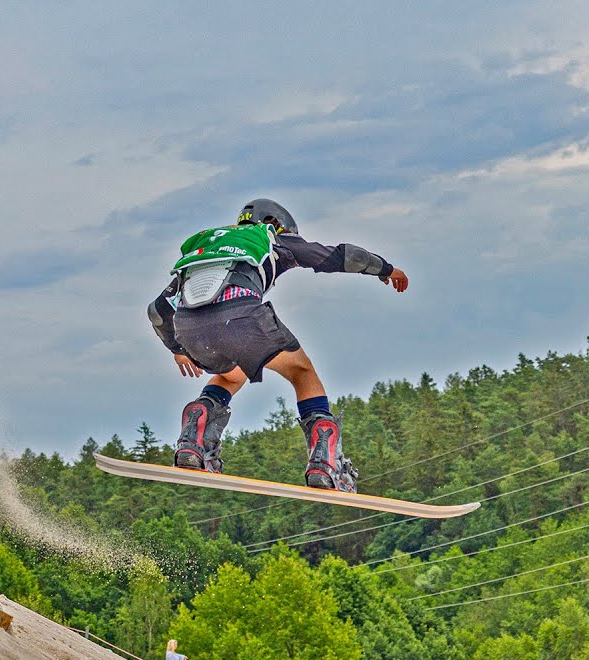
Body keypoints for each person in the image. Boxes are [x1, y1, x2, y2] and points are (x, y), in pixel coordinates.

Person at [148, 199, 408, 492]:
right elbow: (338, 256)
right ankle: (326, 461)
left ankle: (197, 429)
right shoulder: (272, 237)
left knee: (231, 374)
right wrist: (386, 269)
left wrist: (178, 349)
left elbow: (157, 311)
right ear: (276, 223)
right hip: (242, 315)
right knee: (301, 371)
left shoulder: (206, 246)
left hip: (189, 328)